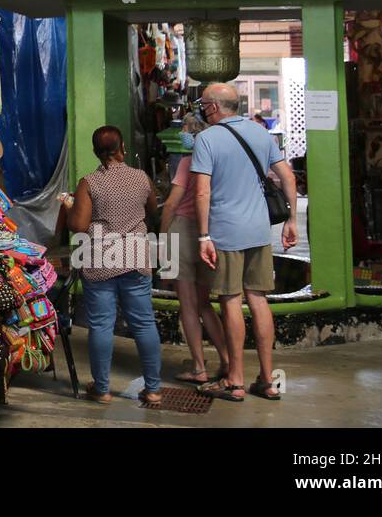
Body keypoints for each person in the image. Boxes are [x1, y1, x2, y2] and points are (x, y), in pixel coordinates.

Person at [191, 83, 299, 402]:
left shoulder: (206, 139)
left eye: (203, 104)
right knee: (259, 299)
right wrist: (291, 221)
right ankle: (266, 379)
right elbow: (288, 177)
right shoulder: (260, 133)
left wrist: (203, 235)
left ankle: (235, 381)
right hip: (258, 230)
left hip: (225, 231)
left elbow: (201, 192)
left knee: (229, 299)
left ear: (212, 107)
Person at [67, 125, 162, 407]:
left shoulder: (89, 183)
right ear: (121, 149)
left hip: (101, 260)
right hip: (135, 258)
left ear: (96, 152)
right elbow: (152, 210)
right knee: (144, 324)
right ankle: (154, 390)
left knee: (101, 325)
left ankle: (103, 389)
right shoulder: (141, 178)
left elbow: (79, 226)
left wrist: (69, 208)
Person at [160, 115, 228, 385]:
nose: (184, 135)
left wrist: (163, 239)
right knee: (205, 304)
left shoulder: (188, 162)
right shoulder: (218, 162)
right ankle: (226, 360)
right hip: (211, 233)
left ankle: (199, 367)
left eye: (187, 130)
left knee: (187, 305)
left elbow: (170, 204)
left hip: (184, 232)